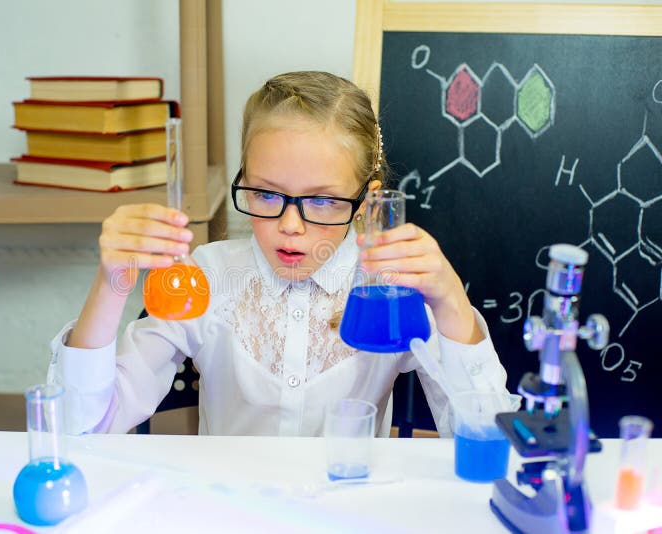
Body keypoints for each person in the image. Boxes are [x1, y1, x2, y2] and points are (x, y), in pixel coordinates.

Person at [48, 71, 508, 437]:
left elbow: (488, 436)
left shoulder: (386, 290)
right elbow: (80, 425)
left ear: (365, 203)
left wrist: (450, 301)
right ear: (245, 177)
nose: (291, 225)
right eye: (266, 195)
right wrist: (112, 280)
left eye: (324, 200)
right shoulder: (206, 276)